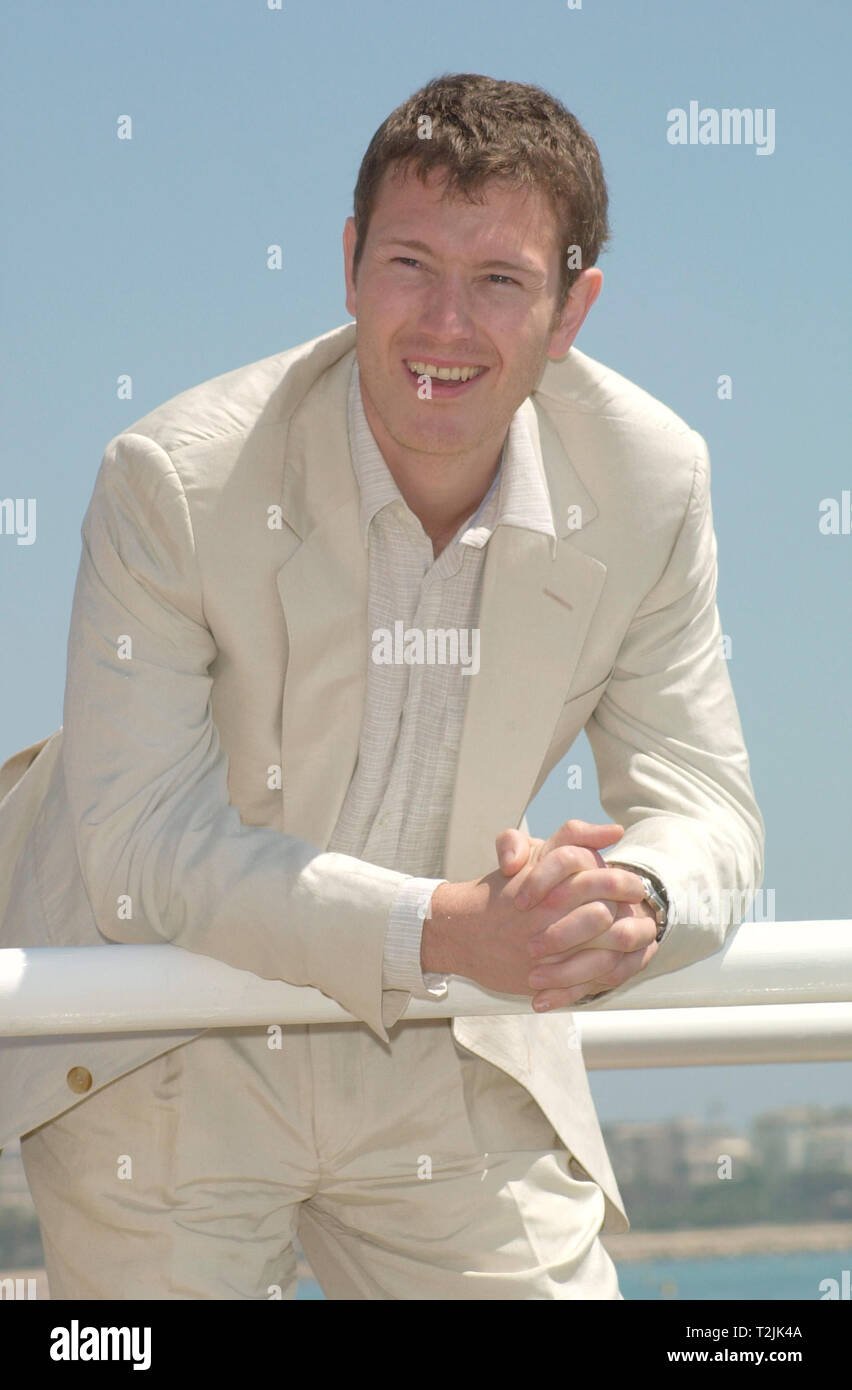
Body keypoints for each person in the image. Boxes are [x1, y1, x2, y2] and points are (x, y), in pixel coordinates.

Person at [0, 72, 764, 1299]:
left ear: (573, 310)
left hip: (450, 1032)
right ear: (350, 264)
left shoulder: (651, 481)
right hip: (167, 1023)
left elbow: (711, 804)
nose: (444, 327)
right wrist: (434, 925)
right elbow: (138, 842)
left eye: (503, 280)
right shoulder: (173, 480)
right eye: (410, 263)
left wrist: (635, 898)